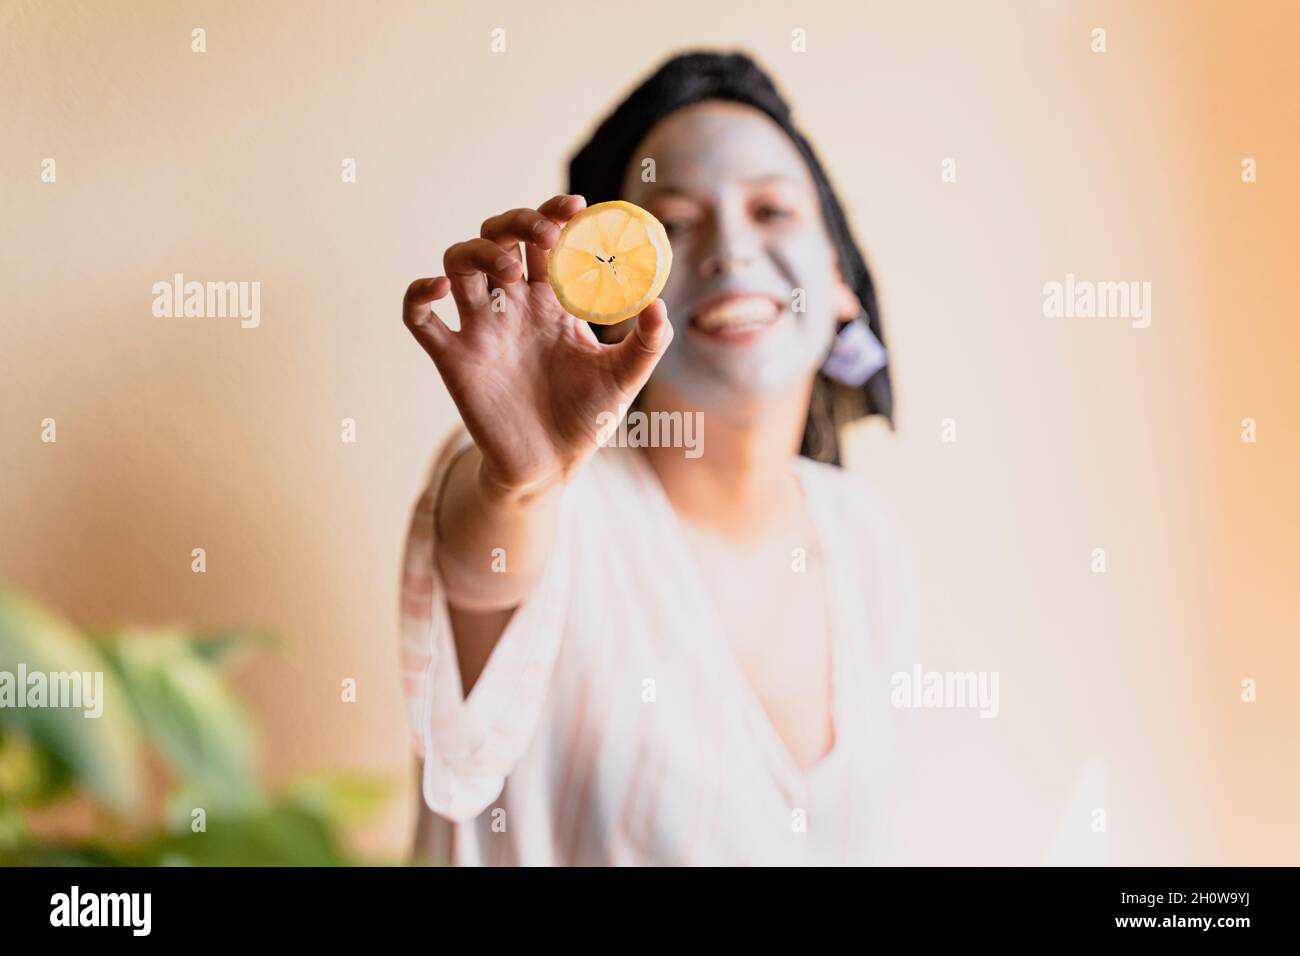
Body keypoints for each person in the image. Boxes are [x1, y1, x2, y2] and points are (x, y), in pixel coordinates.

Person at [399, 50, 917, 865]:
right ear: (609, 293)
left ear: (842, 279)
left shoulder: (867, 538)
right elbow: (483, 563)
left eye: (774, 210)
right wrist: (518, 482)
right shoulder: (550, 501)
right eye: (671, 223)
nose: (729, 249)